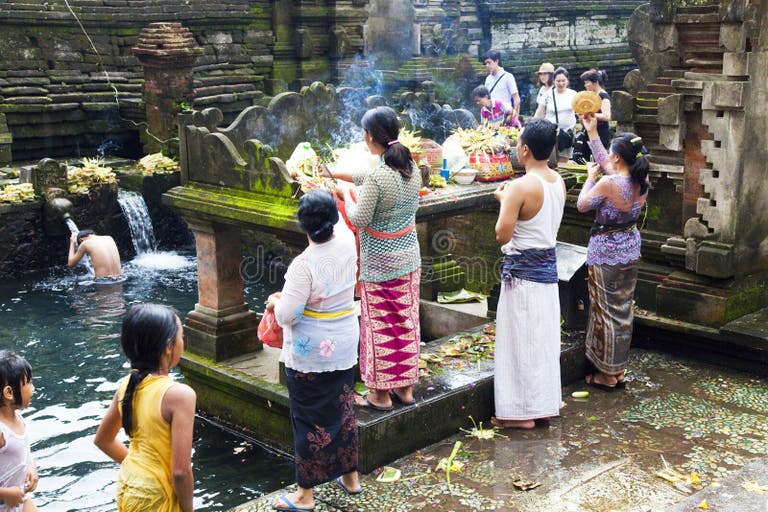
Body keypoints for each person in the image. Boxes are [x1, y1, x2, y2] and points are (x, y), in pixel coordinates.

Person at [266, 189, 362, 511]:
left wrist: (276, 301)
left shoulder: (303, 265)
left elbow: (288, 316)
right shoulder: (348, 242)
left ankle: (305, 496)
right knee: (344, 411)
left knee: (307, 419)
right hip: (344, 341)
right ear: (334, 218)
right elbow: (345, 221)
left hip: (311, 353)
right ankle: (351, 478)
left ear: (303, 225)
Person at [330, 106, 421, 411]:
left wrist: (345, 195)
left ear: (370, 136)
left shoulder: (379, 178)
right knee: (405, 323)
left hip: (380, 264)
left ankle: (379, 395)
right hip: (409, 259)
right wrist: (330, 173)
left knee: (380, 326)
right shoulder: (411, 167)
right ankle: (405, 388)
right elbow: (365, 175)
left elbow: (358, 219)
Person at [491, 118, 566, 429]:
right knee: (543, 343)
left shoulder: (521, 186)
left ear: (524, 149)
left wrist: (502, 200)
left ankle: (520, 414)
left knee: (519, 343)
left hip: (522, 276)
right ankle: (542, 406)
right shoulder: (557, 180)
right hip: (546, 277)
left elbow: (502, 235)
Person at [94, 304, 196, 512]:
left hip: (129, 484)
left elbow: (102, 440)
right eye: (181, 336)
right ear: (168, 346)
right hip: (156, 495)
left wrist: (140, 472)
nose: (182, 342)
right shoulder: (180, 395)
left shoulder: (126, 387)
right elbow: (180, 472)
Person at [576, 113, 649, 391]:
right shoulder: (642, 179)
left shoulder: (608, 184)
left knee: (605, 310)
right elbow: (609, 165)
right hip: (630, 247)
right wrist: (592, 132)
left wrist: (589, 178)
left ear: (618, 157)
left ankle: (606, 374)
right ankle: (617, 369)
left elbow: (583, 204)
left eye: (612, 154)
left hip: (606, 252)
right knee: (622, 309)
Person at [0, 351, 39, 512]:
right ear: (9, 393)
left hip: (20, 500)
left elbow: (24, 452)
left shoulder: (18, 417)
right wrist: (5, 494)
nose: (33, 388)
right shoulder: (1, 431)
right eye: (28, 383)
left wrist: (32, 467)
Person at [534, 67, 578, 165]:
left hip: (568, 133)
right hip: (551, 133)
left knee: (563, 162)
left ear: (567, 81)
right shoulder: (547, 95)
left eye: (563, 81)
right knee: (551, 161)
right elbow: (539, 113)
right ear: (553, 81)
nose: (561, 83)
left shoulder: (573, 94)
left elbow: (579, 112)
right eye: (558, 81)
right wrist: (532, 127)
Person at [572, 68, 612, 163]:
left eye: (587, 82)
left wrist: (590, 114)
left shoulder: (603, 95)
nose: (585, 85)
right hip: (589, 130)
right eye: (585, 83)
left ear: (596, 82)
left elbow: (607, 116)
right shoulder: (590, 96)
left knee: (598, 158)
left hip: (600, 132)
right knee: (586, 157)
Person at [483, 50, 520, 126]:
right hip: (492, 118)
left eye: (489, 62)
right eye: (486, 63)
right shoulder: (488, 79)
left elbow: (516, 98)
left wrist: (515, 116)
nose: (487, 65)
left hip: (506, 115)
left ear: (496, 61)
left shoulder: (508, 77)